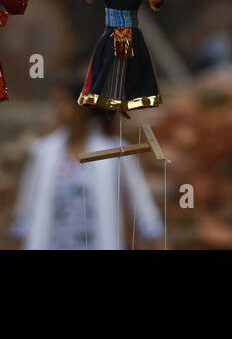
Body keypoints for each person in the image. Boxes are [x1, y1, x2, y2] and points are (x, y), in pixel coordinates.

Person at [10, 79, 163, 250]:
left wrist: (156, 238)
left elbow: (141, 204)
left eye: (63, 101)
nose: (56, 108)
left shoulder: (114, 152)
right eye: (55, 102)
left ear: (83, 106)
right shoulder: (44, 152)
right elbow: (26, 208)